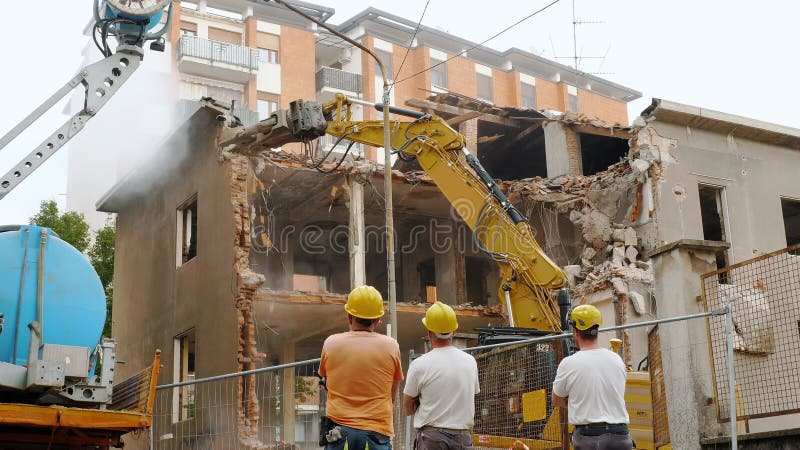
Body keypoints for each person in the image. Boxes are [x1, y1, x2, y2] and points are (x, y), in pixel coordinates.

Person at [318, 285, 403, 450]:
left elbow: (326, 383)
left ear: (349, 317)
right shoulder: (391, 346)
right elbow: (392, 393)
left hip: (339, 432)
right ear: (378, 320)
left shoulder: (331, 343)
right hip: (376, 432)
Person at [551, 304, 633, 450]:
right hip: (620, 436)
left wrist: (576, 401)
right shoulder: (616, 360)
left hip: (588, 438)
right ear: (597, 330)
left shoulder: (569, 363)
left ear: (575, 332)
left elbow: (556, 399)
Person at [403, 301, 480, 450]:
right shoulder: (470, 362)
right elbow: (471, 395)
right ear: (454, 331)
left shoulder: (420, 364)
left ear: (429, 333)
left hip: (432, 439)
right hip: (462, 439)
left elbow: (407, 408)